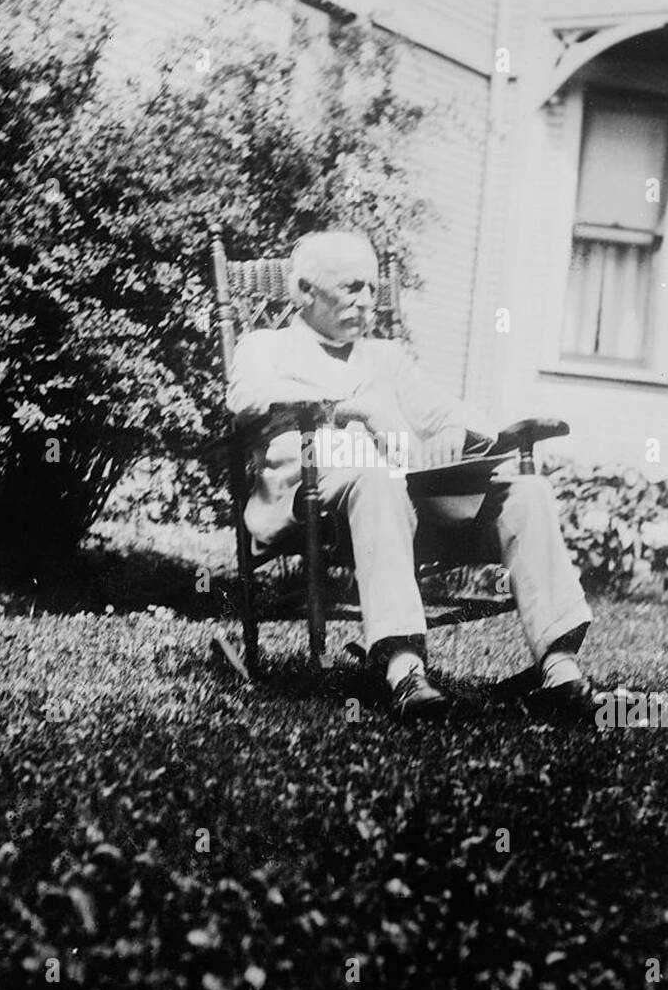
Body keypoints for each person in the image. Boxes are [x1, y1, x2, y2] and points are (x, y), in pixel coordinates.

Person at [226, 230, 592, 720]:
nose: (366, 301)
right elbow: (245, 398)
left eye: (374, 290)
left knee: (525, 491)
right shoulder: (264, 347)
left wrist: (457, 430)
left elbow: (454, 413)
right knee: (377, 478)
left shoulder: (386, 359)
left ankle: (560, 669)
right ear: (303, 292)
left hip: (403, 503)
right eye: (353, 287)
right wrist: (348, 408)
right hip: (311, 495)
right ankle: (403, 668)